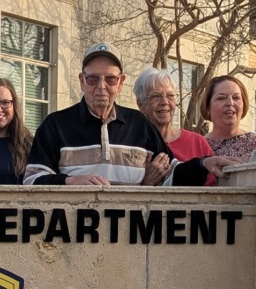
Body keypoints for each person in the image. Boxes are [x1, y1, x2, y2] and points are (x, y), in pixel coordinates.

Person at [25, 42, 237, 186]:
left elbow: (171, 176)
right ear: (81, 80)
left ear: (121, 83)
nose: (101, 86)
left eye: (110, 79)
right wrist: (69, 181)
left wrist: (203, 164)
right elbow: (32, 180)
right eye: (93, 79)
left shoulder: (140, 125)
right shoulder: (55, 125)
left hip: (128, 244)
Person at [133, 67, 215, 185]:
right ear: (140, 104)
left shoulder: (197, 142)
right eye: (156, 96)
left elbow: (211, 191)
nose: (165, 102)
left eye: (170, 96)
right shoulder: (131, 144)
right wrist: (146, 183)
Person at [203, 76, 256, 162]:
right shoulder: (197, 145)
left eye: (236, 98)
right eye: (221, 98)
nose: (230, 103)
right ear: (207, 107)